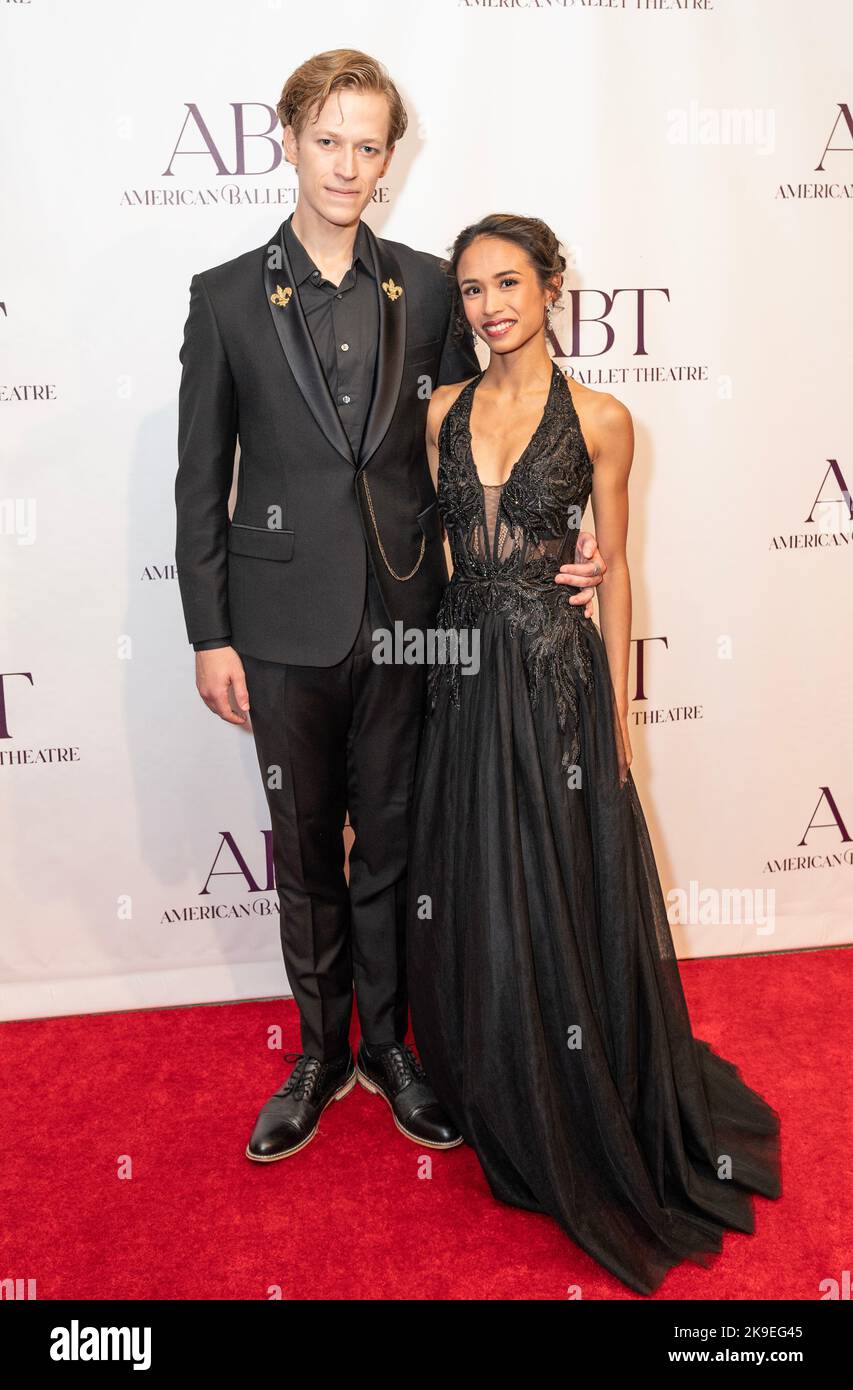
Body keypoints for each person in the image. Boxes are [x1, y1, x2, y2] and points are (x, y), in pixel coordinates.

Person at [174, 52, 608, 1163]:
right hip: (278, 627)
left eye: (369, 145)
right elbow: (198, 476)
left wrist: (577, 524)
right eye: (329, 140)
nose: (349, 165)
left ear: (388, 158)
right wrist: (209, 631)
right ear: (288, 139)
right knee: (307, 844)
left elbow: (497, 420)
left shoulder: (429, 283)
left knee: (398, 848)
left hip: (417, 620)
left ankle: (392, 1047)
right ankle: (321, 1051)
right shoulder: (224, 295)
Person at [405, 213, 782, 1296]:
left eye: (508, 282)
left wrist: (614, 713)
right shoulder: (440, 412)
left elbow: (613, 569)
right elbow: (436, 553)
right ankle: (494, 1081)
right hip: (461, 668)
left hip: (555, 676)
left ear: (553, 285)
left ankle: (573, 1093)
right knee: (474, 878)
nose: (489, 306)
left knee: (557, 880)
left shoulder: (604, 420)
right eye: (471, 290)